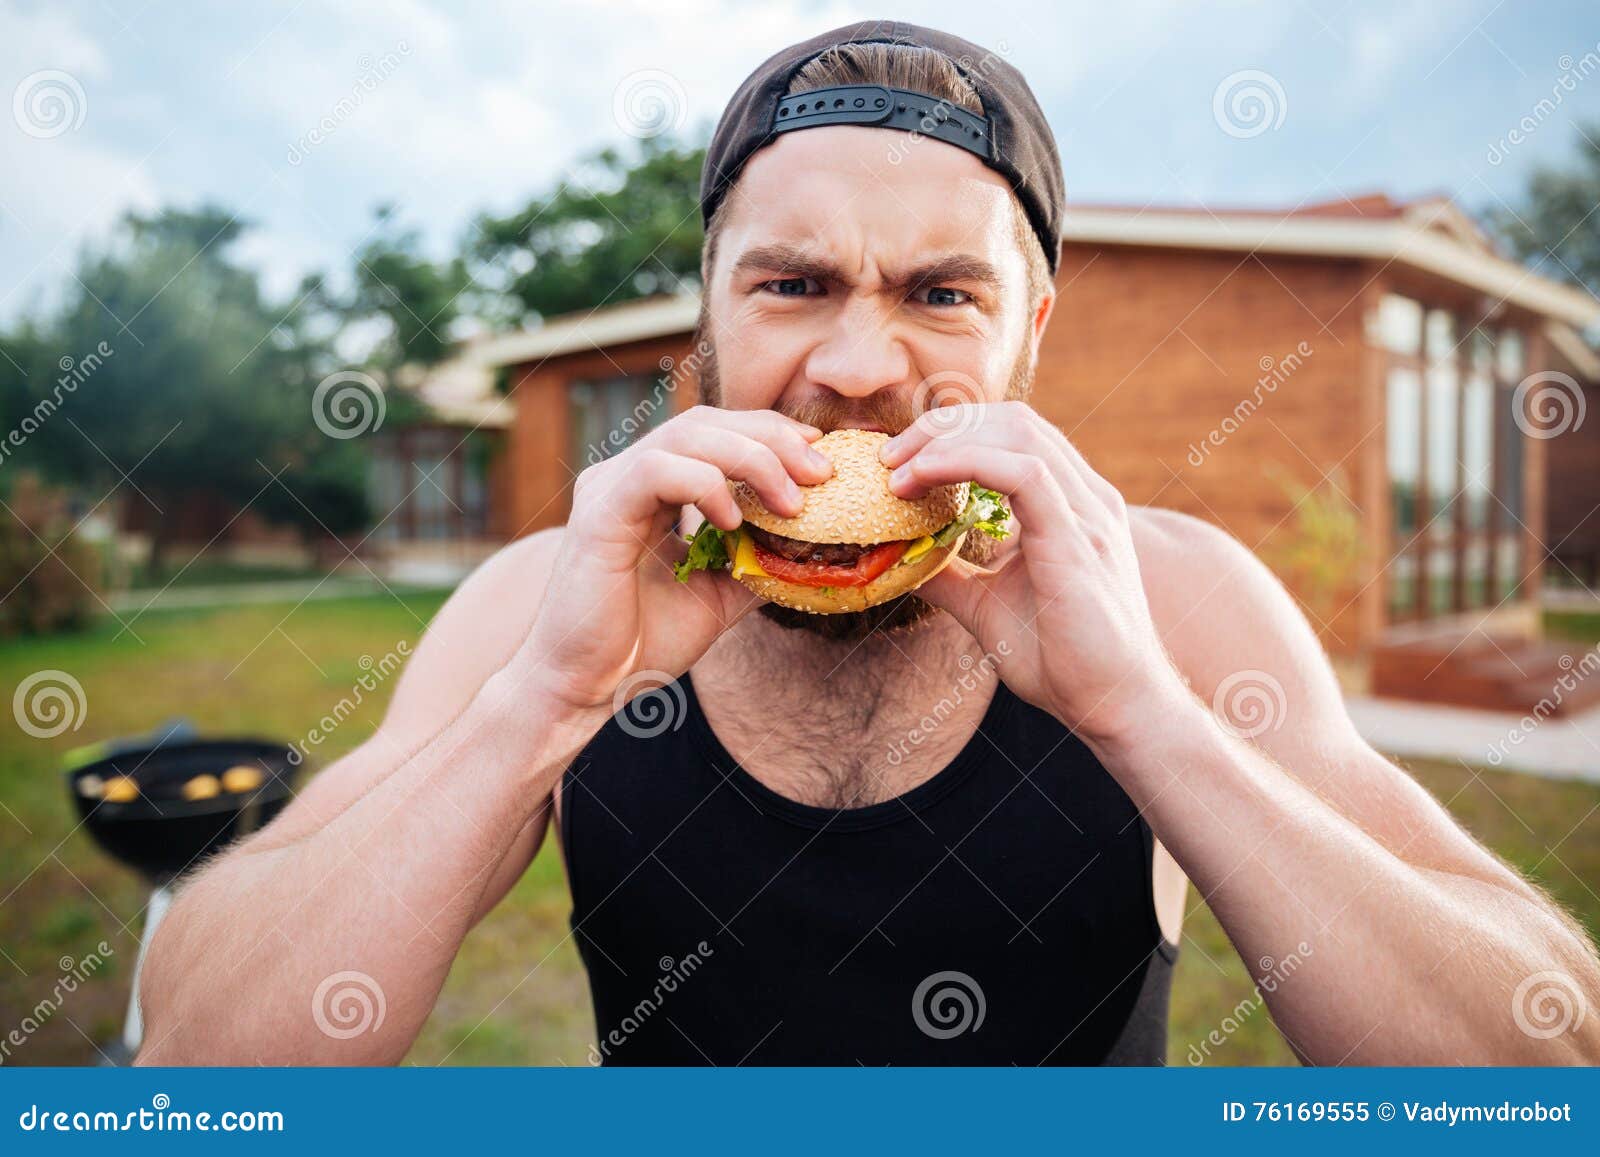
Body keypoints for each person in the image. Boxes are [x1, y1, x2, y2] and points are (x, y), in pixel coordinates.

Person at [138, 21, 1600, 1066]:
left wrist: (1143, 716)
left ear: (1029, 330)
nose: (856, 363)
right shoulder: (543, 605)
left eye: (940, 293)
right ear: (706, 314)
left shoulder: (1174, 599)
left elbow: (1547, 1065)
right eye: (792, 282)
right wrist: (544, 707)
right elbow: (195, 1067)